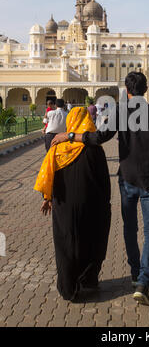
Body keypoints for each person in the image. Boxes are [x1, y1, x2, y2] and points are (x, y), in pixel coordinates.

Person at [51, 72, 149, 306]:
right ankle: (144, 282)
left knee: (130, 229)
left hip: (127, 179)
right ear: (145, 90)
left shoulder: (121, 112)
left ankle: (135, 274)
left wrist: (70, 135)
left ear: (127, 91)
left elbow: (99, 138)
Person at [34, 107, 111, 301]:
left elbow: (48, 175)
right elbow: (104, 182)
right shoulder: (94, 149)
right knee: (91, 240)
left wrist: (47, 198)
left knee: (66, 244)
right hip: (91, 206)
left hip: (64, 206)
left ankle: (68, 288)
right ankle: (88, 281)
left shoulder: (58, 148)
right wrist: (105, 204)